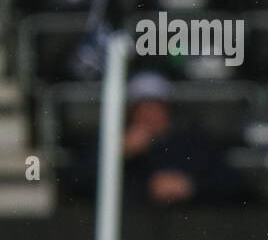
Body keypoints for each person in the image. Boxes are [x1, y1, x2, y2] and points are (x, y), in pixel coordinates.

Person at [69, 72, 240, 206]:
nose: (149, 115)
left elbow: (232, 183)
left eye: (155, 107)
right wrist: (117, 153)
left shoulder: (193, 141)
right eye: (142, 108)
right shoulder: (111, 142)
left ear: (168, 110)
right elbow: (77, 184)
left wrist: (190, 186)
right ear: (130, 113)